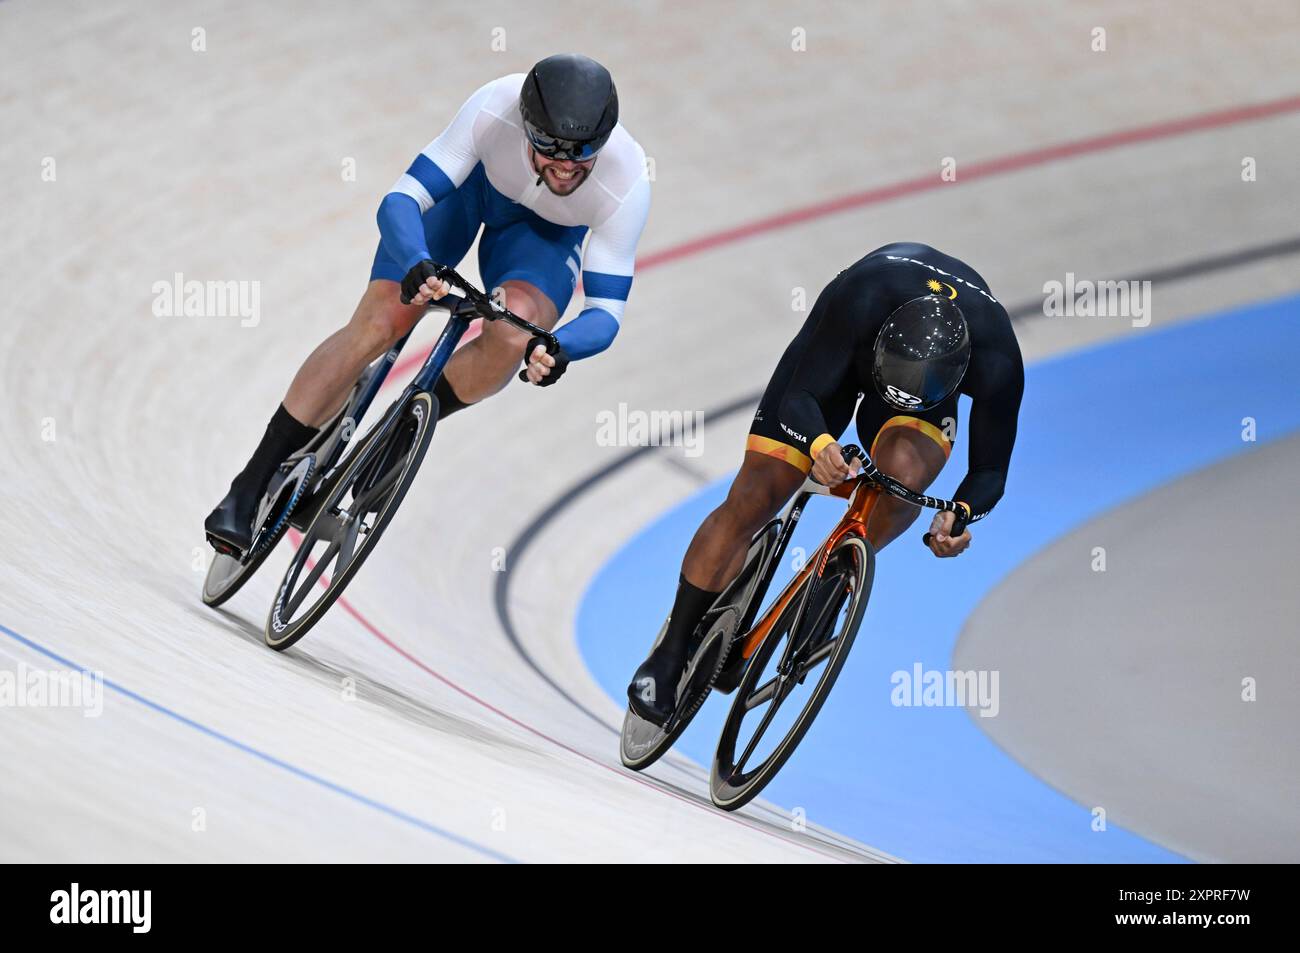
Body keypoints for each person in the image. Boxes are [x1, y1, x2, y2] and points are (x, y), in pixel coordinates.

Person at [205, 54, 650, 555]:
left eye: (583, 152)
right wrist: (416, 260)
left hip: (543, 237)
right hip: (469, 194)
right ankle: (247, 487)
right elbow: (401, 201)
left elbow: (607, 313)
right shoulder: (494, 107)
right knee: (380, 323)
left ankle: (403, 429)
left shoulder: (627, 180)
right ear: (525, 125)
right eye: (548, 146)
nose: (566, 164)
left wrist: (560, 346)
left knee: (514, 333)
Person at [627, 242, 1025, 725]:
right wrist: (819, 445)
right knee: (761, 490)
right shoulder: (861, 298)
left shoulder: (997, 356)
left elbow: (989, 472)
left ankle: (835, 578)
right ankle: (671, 650)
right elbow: (801, 397)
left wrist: (958, 515)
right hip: (846, 356)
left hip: (924, 398)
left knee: (902, 486)